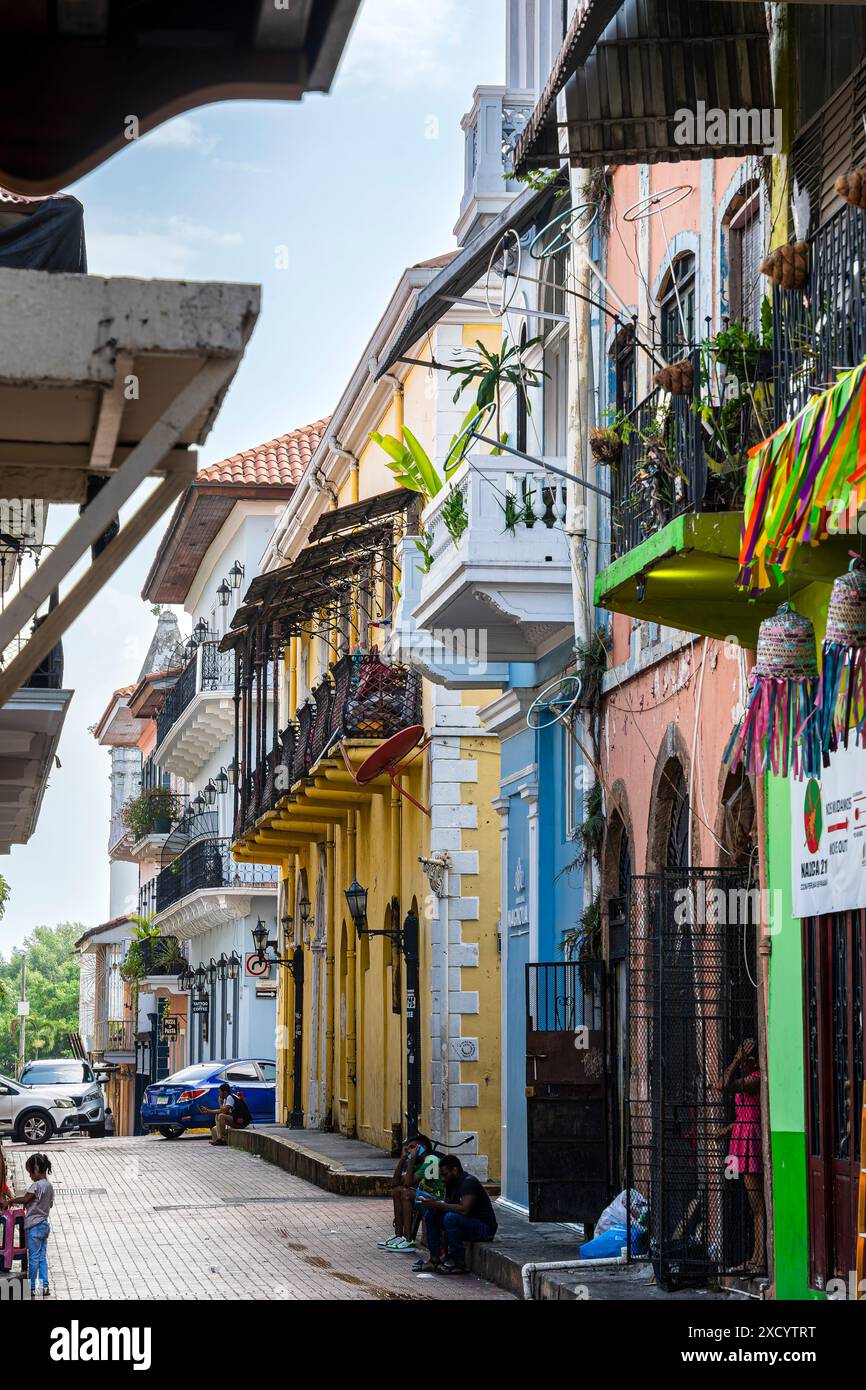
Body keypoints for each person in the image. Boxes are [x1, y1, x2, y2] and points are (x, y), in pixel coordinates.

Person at [719, 1038, 766, 1273]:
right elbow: (743, 1114)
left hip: (750, 1142)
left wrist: (736, 1059)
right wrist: (727, 1130)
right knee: (750, 1203)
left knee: (757, 1204)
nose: (744, 1063)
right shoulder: (749, 1080)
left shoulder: (754, 1079)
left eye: (747, 1059)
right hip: (741, 1138)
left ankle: (760, 1261)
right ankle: (755, 1258)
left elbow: (724, 1085)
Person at [417, 1154, 497, 1274]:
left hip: (484, 1228)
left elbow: (464, 1210)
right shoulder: (450, 1183)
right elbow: (447, 1205)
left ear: (454, 1170)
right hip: (466, 1223)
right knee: (432, 1214)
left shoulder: (469, 1182)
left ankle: (459, 1262)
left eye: (445, 1174)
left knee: (450, 1218)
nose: (443, 1178)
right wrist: (433, 1205)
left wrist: (437, 1204)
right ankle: (435, 1259)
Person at [0, 1151, 54, 1296]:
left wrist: (10, 1201)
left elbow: (26, 1199)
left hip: (34, 1228)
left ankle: (30, 1288)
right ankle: (44, 1287)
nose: (30, 1176)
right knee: (42, 1258)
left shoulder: (35, 1186)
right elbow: (50, 1204)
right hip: (44, 1225)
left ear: (36, 1169)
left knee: (33, 1259)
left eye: (30, 1172)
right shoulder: (49, 1186)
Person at [378, 1134, 435, 1252]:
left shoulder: (431, 1160)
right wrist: (403, 1158)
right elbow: (395, 1183)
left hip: (436, 1198)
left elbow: (408, 1183)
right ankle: (399, 1236)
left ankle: (408, 1240)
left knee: (406, 1193)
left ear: (421, 1148)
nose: (408, 1150)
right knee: (397, 1191)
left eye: (412, 1147)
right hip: (424, 1197)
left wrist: (411, 1161)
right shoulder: (419, 1163)